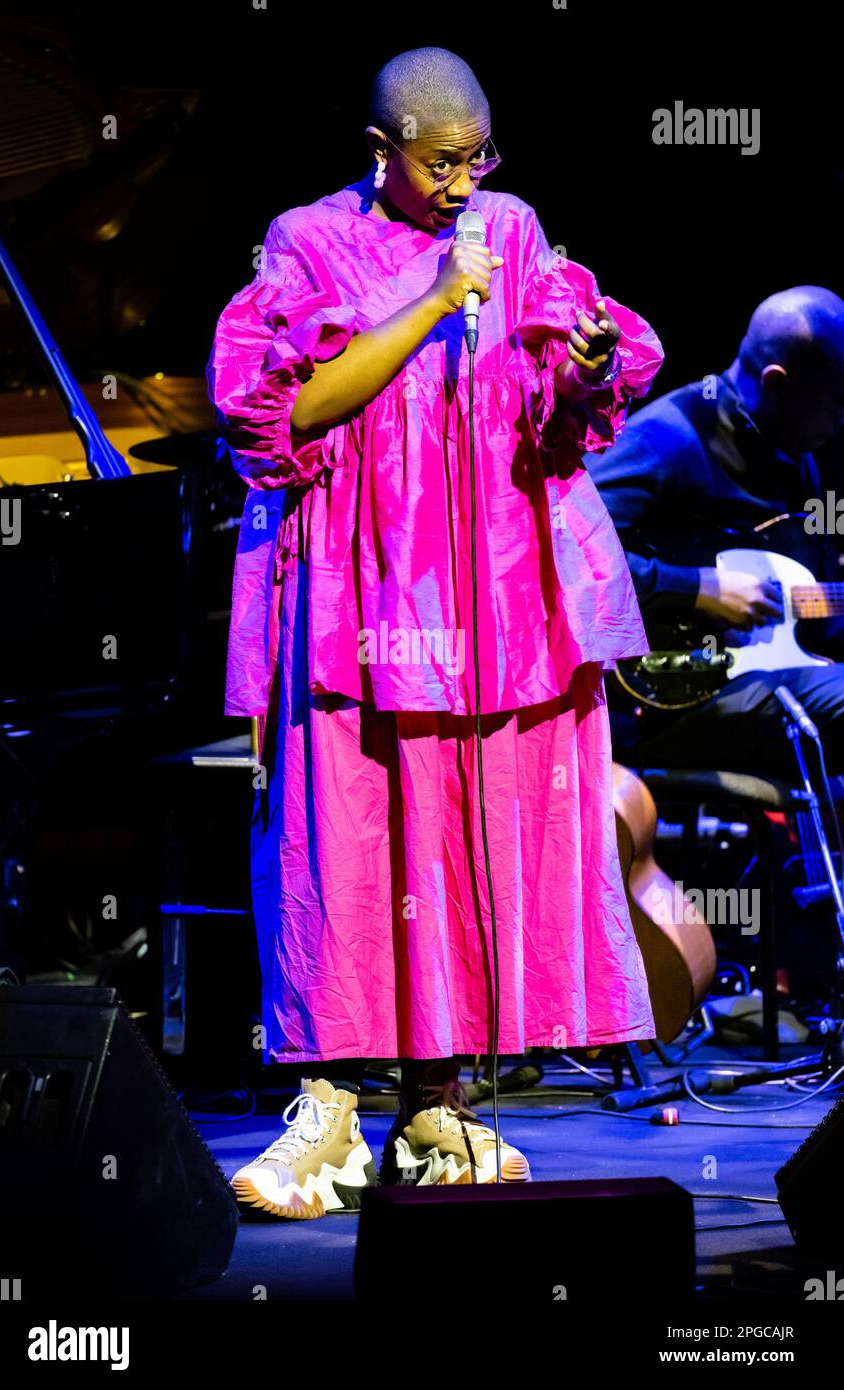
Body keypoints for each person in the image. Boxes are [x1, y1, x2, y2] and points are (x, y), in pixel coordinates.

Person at [207, 47, 662, 1219]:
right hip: (357, 595)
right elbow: (285, 414)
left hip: (491, 591)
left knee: (459, 839)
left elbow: (560, 419)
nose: (463, 183)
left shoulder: (512, 230)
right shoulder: (307, 242)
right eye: (441, 162)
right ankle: (324, 1112)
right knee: (343, 840)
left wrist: (586, 366)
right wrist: (428, 303)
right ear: (383, 149)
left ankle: (435, 1104)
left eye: (476, 158)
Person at [586, 287, 844, 777]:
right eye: (836, 402)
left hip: (752, 681)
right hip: (659, 701)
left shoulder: (796, 457)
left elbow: (811, 613)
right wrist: (696, 588)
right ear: (777, 383)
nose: (842, 420)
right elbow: (568, 549)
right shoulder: (668, 439)